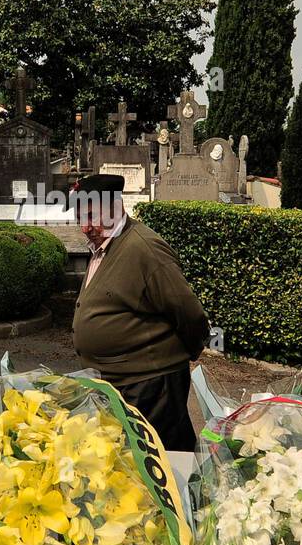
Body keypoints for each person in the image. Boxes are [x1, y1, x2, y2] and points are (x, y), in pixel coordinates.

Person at [70, 173, 210, 451]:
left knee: (163, 461)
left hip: (151, 387)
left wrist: (174, 357)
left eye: (91, 216)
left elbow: (190, 313)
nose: (85, 228)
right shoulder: (104, 244)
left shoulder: (144, 248)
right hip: (120, 384)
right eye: (79, 217)